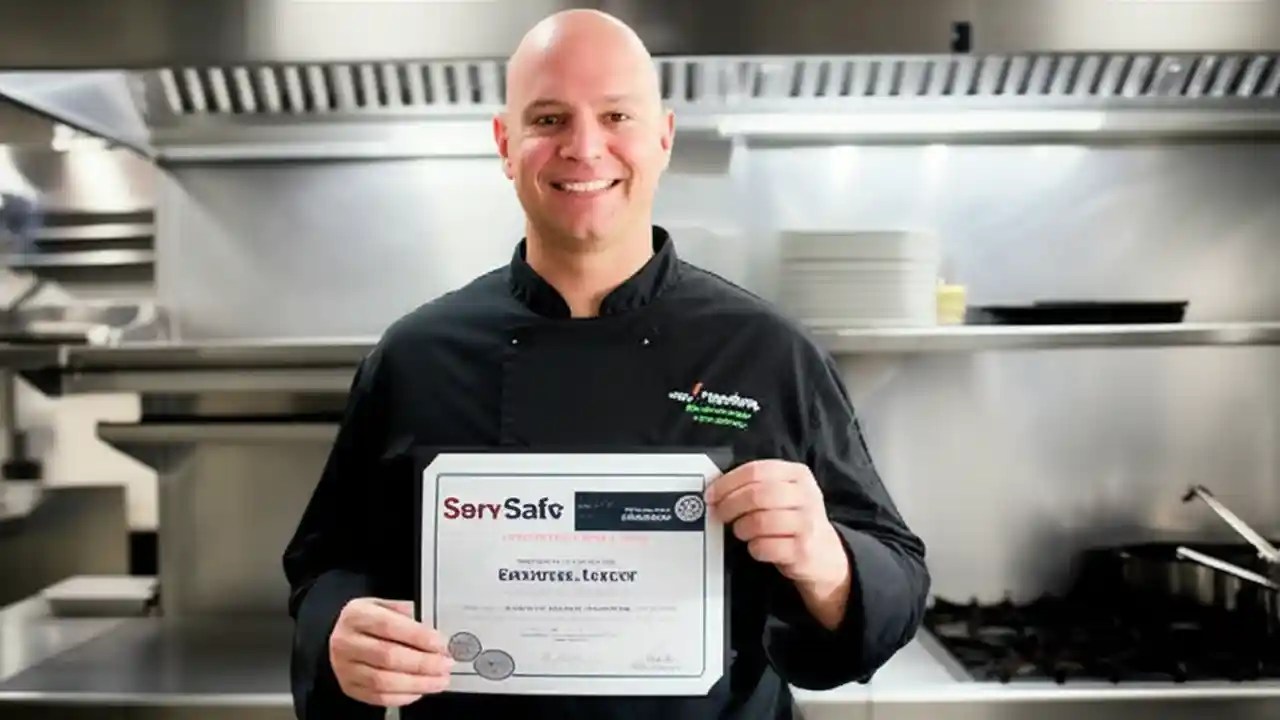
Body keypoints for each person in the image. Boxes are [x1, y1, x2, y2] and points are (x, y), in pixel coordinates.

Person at [282, 9, 929, 720]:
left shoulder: (769, 352)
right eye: (549, 119)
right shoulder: (414, 357)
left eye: (616, 114)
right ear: (505, 143)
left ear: (664, 137)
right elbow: (325, 566)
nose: (584, 148)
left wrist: (825, 560)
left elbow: (895, 571)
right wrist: (339, 628)